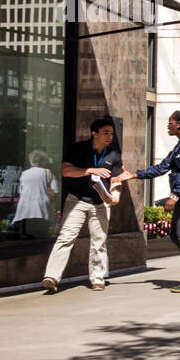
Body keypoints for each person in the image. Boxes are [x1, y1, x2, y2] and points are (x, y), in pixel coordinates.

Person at [116, 110, 180, 293]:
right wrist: (135, 175)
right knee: (177, 236)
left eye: (170, 123)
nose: (168, 126)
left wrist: (174, 195)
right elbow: (162, 167)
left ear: (179, 124)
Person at [42, 117, 124, 293]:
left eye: (111, 133)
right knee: (66, 237)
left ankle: (98, 278)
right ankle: (52, 277)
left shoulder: (114, 155)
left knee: (99, 241)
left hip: (101, 202)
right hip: (77, 200)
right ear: (94, 133)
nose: (109, 137)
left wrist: (115, 197)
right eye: (105, 133)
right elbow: (65, 170)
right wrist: (89, 170)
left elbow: (116, 180)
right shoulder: (79, 149)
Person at [10, 149, 57, 238]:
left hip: (24, 210)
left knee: (25, 237)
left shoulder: (24, 174)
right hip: (42, 210)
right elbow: (55, 192)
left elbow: (21, 191)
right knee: (42, 236)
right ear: (43, 162)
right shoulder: (47, 173)